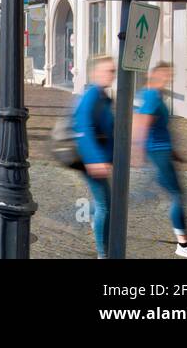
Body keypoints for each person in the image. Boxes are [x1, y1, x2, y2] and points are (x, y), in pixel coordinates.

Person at [133, 62, 187, 258]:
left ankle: (98, 211)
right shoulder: (152, 95)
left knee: (151, 193)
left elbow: (156, 126)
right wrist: (137, 150)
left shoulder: (153, 94)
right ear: (153, 76)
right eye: (164, 75)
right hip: (158, 152)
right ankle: (184, 246)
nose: (168, 79)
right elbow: (142, 122)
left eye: (170, 76)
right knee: (177, 196)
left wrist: (174, 152)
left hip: (162, 152)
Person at [74, 56, 116, 258]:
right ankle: (103, 253)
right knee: (105, 205)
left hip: (100, 159)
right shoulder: (92, 95)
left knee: (104, 202)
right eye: (108, 70)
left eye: (113, 71)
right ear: (96, 73)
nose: (112, 74)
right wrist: (94, 160)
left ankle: (93, 219)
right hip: (91, 160)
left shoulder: (103, 97)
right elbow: (83, 128)